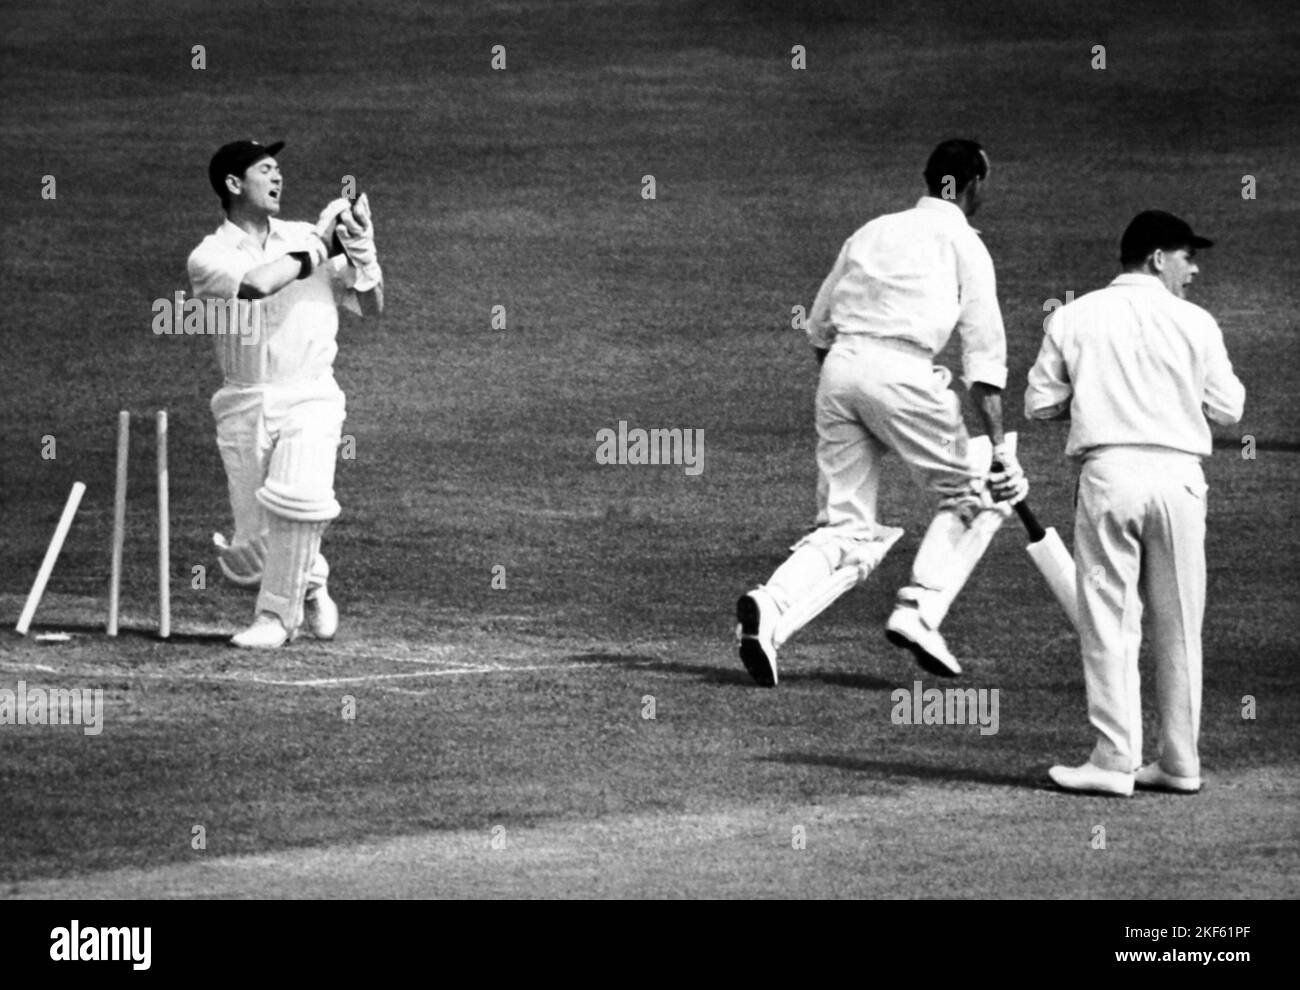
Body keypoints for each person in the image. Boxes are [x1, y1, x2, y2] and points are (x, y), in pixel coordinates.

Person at [735, 139, 1027, 687]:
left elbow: (819, 327)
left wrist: (852, 390)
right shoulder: (965, 244)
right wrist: (1000, 453)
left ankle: (769, 605)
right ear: (974, 186)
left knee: (847, 525)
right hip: (905, 373)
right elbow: (985, 365)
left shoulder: (872, 230)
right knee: (981, 490)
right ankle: (920, 611)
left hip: (839, 370)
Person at [1027, 210, 1245, 796]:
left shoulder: (1074, 316)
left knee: (1109, 623)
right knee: (1179, 627)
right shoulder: (1196, 322)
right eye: (1185, 256)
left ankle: (1114, 759)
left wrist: (1104, 399)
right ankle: (1179, 762)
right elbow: (1229, 409)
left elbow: (1040, 404)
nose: (1193, 269)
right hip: (1179, 482)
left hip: (1110, 476)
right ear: (1155, 258)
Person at [187, 139, 384, 648]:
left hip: (312, 395)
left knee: (300, 498)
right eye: (265, 170)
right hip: (244, 402)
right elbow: (255, 285)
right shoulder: (209, 256)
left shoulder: (303, 234)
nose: (278, 178)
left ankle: (275, 618)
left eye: (279, 170)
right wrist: (321, 247)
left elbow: (372, 306)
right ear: (234, 184)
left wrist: (362, 252)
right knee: (254, 547)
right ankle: (311, 582)